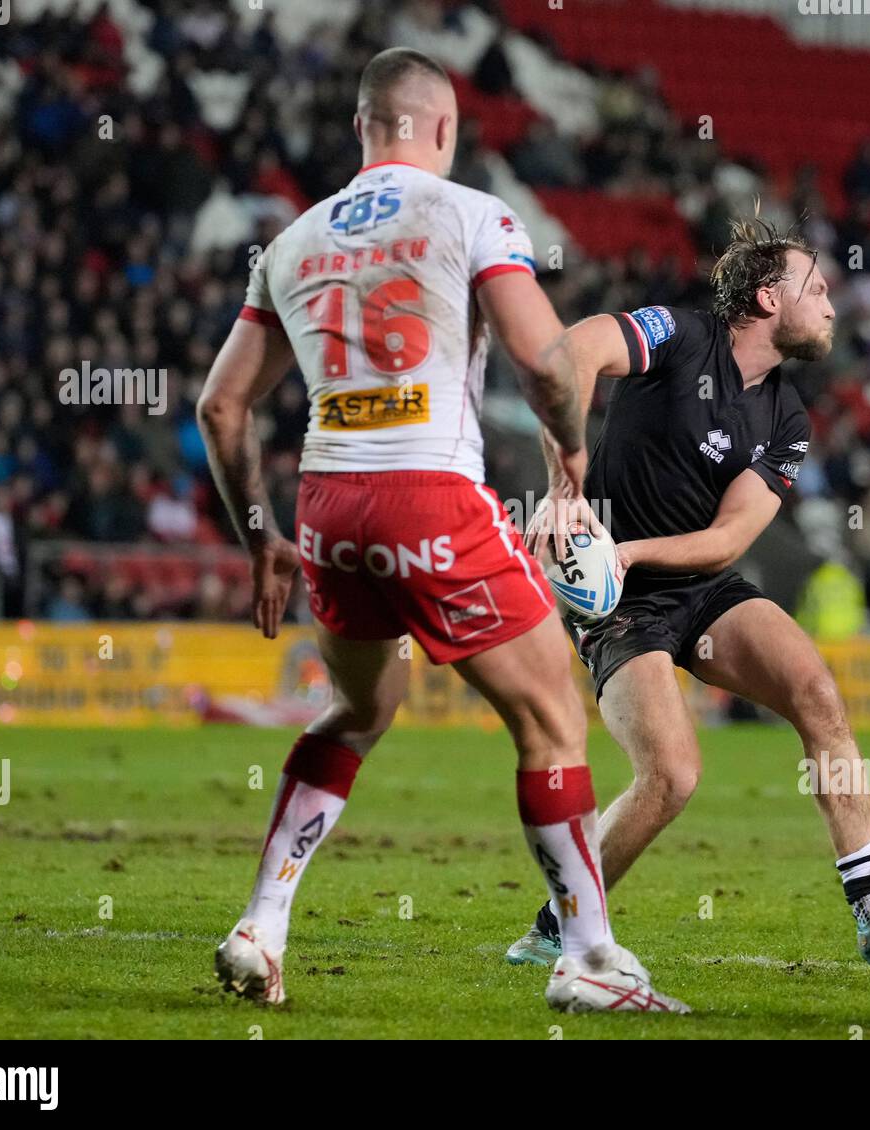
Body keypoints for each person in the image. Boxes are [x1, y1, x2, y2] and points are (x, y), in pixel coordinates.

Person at [197, 48, 686, 1014]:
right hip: (430, 494)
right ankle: (588, 960)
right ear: (447, 129)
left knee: (355, 712)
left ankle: (262, 922)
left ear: (362, 131)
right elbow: (548, 362)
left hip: (327, 505)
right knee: (550, 721)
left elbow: (221, 406)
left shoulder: (289, 242)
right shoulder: (468, 213)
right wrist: (571, 453)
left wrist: (260, 536)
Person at [507, 219, 870, 967]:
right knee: (672, 776)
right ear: (765, 297)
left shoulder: (787, 417)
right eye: (814, 290)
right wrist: (565, 490)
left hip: (698, 583)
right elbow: (569, 354)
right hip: (619, 608)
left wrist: (626, 551)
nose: (829, 305)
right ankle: (556, 928)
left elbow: (727, 539)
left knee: (817, 690)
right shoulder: (679, 335)